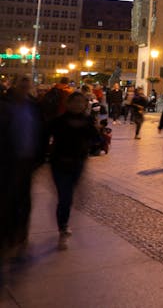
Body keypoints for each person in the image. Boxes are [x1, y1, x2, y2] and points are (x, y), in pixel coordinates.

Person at [0, 76, 44, 260]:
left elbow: (40, 131)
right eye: (21, 85)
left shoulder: (33, 106)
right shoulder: (4, 105)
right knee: (7, 201)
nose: (24, 88)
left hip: (27, 161)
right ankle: (7, 238)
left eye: (27, 86)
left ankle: (21, 239)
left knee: (24, 201)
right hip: (7, 162)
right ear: (14, 86)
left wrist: (39, 157)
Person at [48, 92, 99, 250]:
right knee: (66, 197)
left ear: (85, 105)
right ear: (68, 103)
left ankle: (63, 223)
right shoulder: (59, 121)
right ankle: (63, 228)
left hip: (78, 163)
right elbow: (45, 136)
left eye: (81, 102)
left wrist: (95, 130)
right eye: (75, 102)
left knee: (68, 195)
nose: (78, 105)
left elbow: (97, 139)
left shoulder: (88, 121)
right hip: (60, 164)